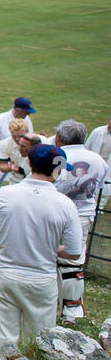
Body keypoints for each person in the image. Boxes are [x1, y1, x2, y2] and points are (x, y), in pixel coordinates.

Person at [0, 144, 83, 356]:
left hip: (5, 273)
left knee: (2, 340)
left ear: (29, 163)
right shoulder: (65, 205)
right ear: (58, 170)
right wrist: (50, 247)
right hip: (41, 278)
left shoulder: (4, 194)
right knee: (38, 342)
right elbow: (74, 252)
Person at [51, 119, 108, 322]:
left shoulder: (58, 156)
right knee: (74, 260)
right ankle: (72, 309)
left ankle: (53, 304)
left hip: (56, 212)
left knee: (50, 256)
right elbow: (98, 187)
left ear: (59, 138)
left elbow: (53, 183)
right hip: (83, 214)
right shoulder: (99, 161)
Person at [0, 97, 36, 189]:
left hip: (19, 170)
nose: (28, 114)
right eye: (26, 111)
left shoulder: (27, 119)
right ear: (17, 110)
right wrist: (11, 145)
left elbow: (29, 139)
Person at [0, 117, 32, 187]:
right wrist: (11, 167)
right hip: (16, 181)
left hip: (34, 180)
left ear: (27, 132)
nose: (17, 139)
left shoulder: (36, 142)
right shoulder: (5, 144)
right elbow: (2, 166)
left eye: (21, 136)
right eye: (14, 136)